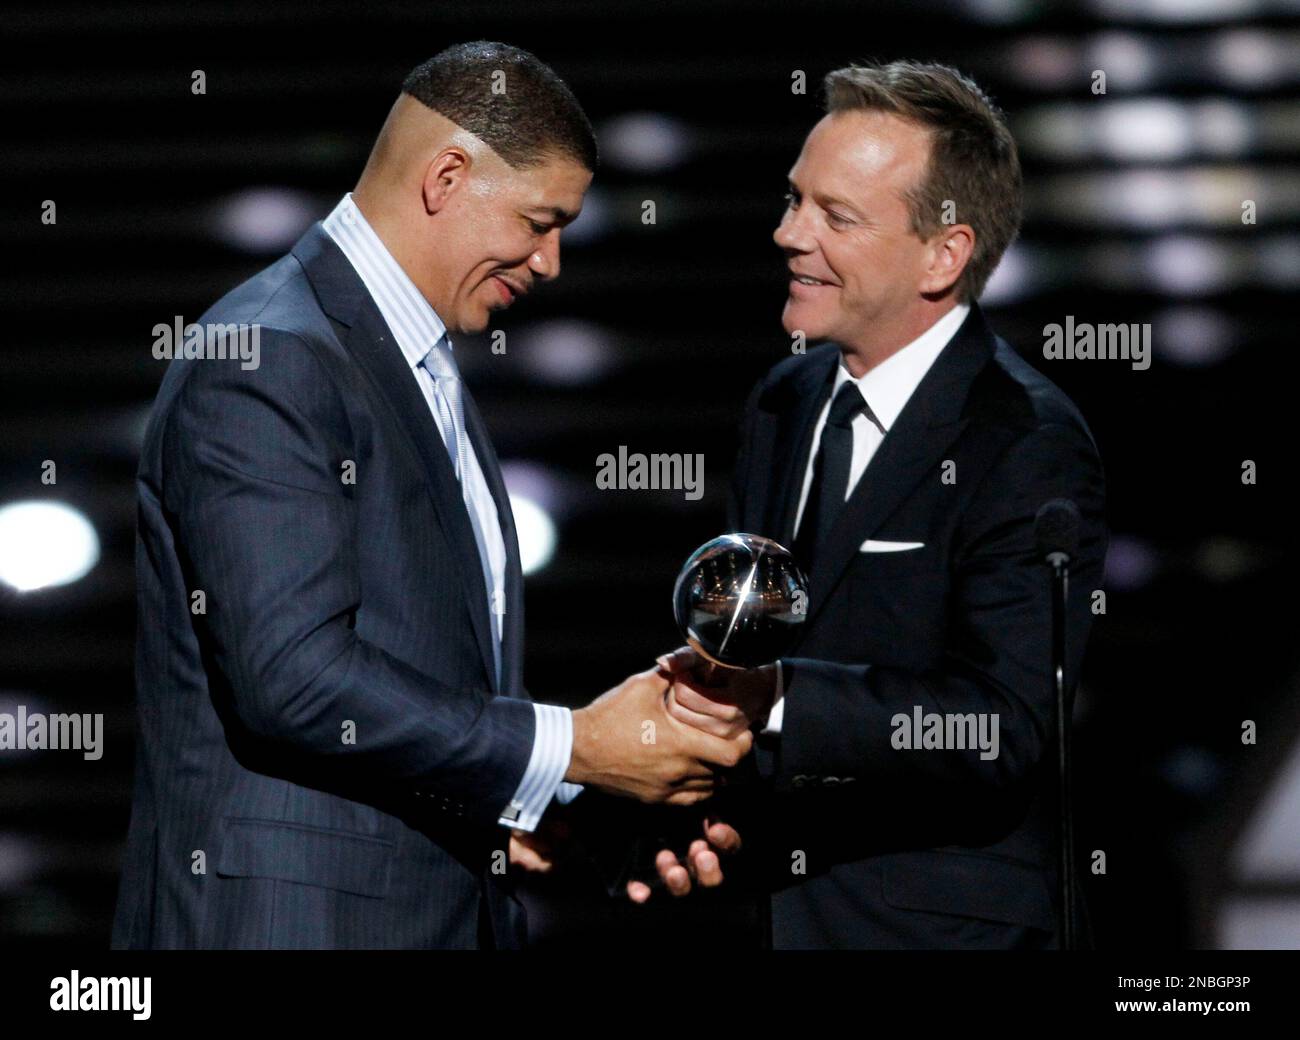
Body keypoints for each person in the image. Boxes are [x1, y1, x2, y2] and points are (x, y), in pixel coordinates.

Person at [111, 41, 749, 950]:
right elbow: (291, 681)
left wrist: (540, 802)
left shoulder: (416, 362)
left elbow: (415, 679)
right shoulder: (270, 357)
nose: (552, 261)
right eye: (540, 220)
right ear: (447, 175)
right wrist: (573, 745)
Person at [654, 60, 1108, 949]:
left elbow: (1000, 729)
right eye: (794, 200)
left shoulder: (1025, 443)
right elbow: (749, 645)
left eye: (837, 216)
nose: (789, 234)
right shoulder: (781, 402)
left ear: (944, 253)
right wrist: (693, 806)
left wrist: (778, 699)